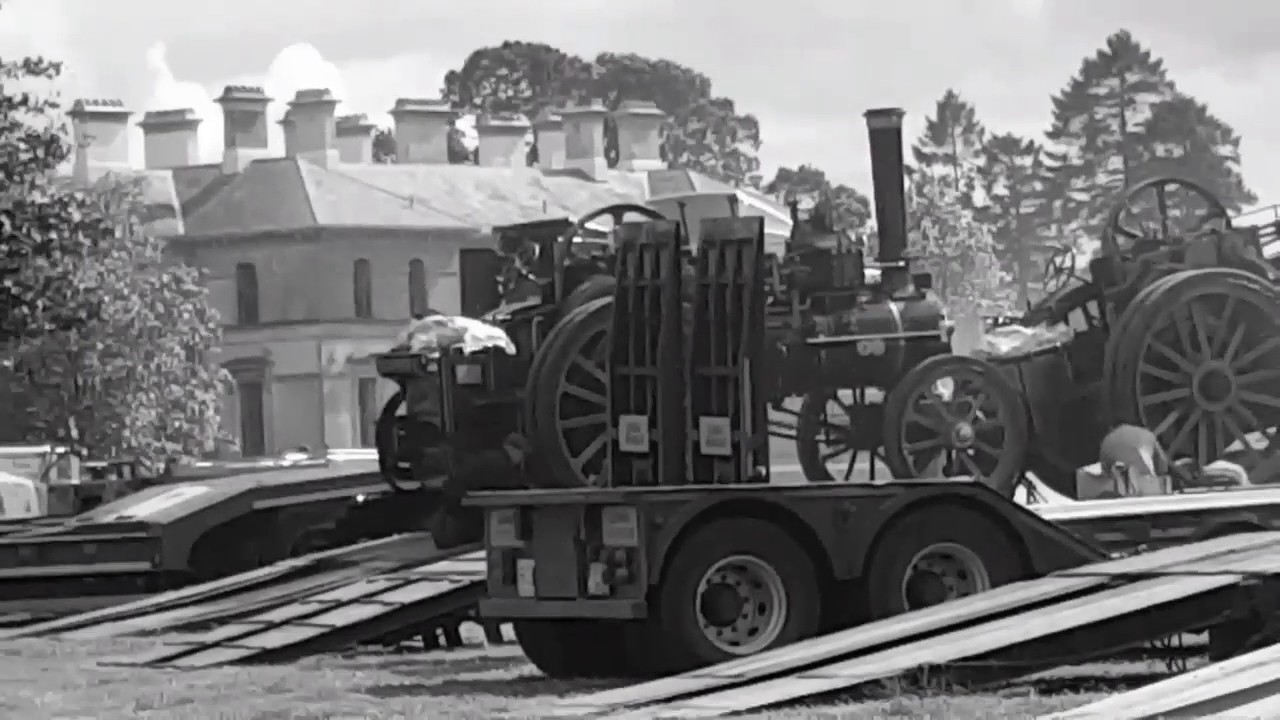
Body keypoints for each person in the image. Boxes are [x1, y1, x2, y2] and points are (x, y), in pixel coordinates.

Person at [431, 433, 531, 550]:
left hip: (447, 522)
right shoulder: (500, 464)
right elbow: (506, 492)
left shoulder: (489, 458)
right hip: (456, 525)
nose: (522, 460)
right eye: (523, 455)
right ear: (515, 450)